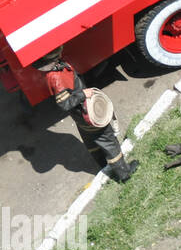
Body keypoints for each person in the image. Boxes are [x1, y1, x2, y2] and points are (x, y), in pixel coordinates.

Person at [36, 51, 139, 182]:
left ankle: (104, 165)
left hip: (80, 117)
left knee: (92, 140)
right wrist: (83, 94)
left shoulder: (58, 69)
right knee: (109, 141)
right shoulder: (56, 77)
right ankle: (124, 173)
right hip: (87, 114)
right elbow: (65, 103)